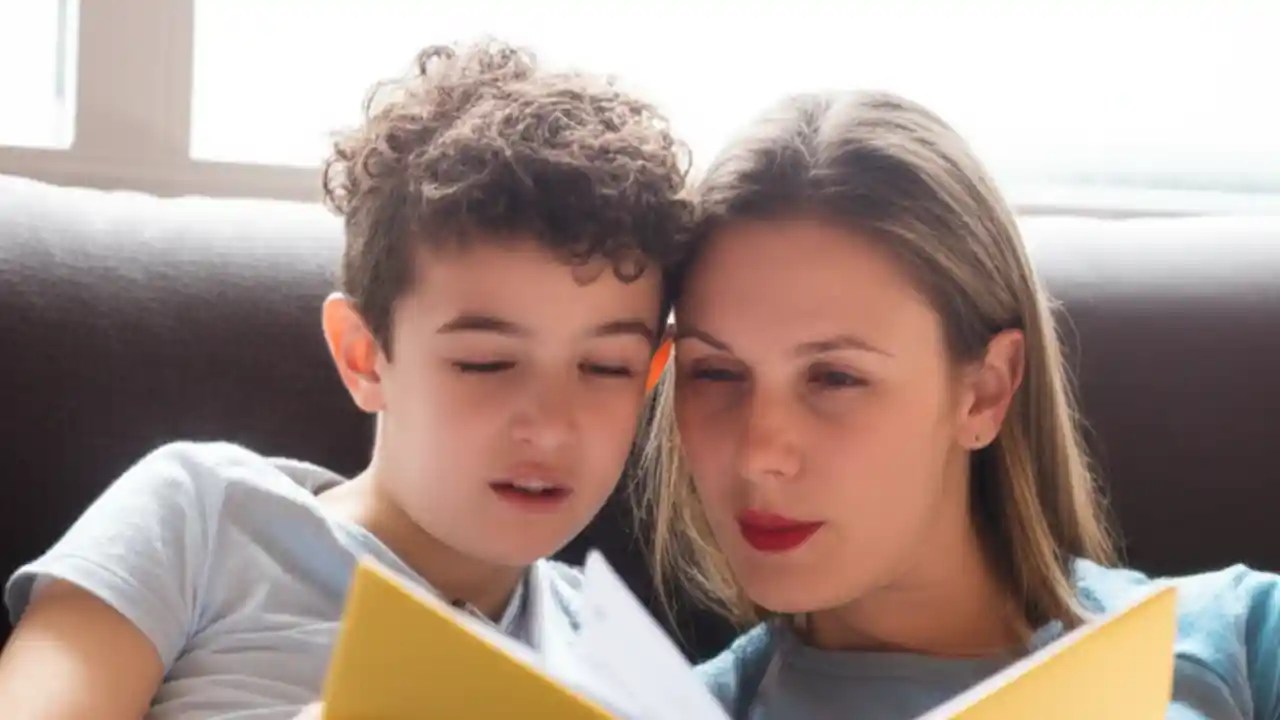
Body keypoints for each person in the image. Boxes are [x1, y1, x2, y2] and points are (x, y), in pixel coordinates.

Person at [0, 40, 691, 719]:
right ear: (364, 357)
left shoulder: (625, 668)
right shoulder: (204, 517)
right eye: (486, 362)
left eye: (606, 368)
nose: (549, 423)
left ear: (651, 379)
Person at [641, 90, 1280, 719]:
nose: (759, 454)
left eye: (835, 378)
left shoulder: (1243, 641)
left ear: (985, 391)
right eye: (718, 373)